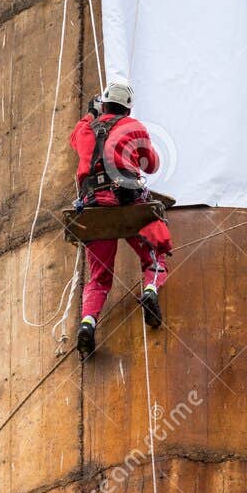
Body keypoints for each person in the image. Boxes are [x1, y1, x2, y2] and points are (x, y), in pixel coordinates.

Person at [68, 78, 172, 360]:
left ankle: (88, 323)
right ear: (127, 108)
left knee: (99, 278)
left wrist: (91, 113)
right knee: (153, 257)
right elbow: (151, 165)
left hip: (94, 208)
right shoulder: (133, 127)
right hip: (128, 204)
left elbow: (75, 139)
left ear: (103, 104)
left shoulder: (84, 129)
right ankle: (149, 290)